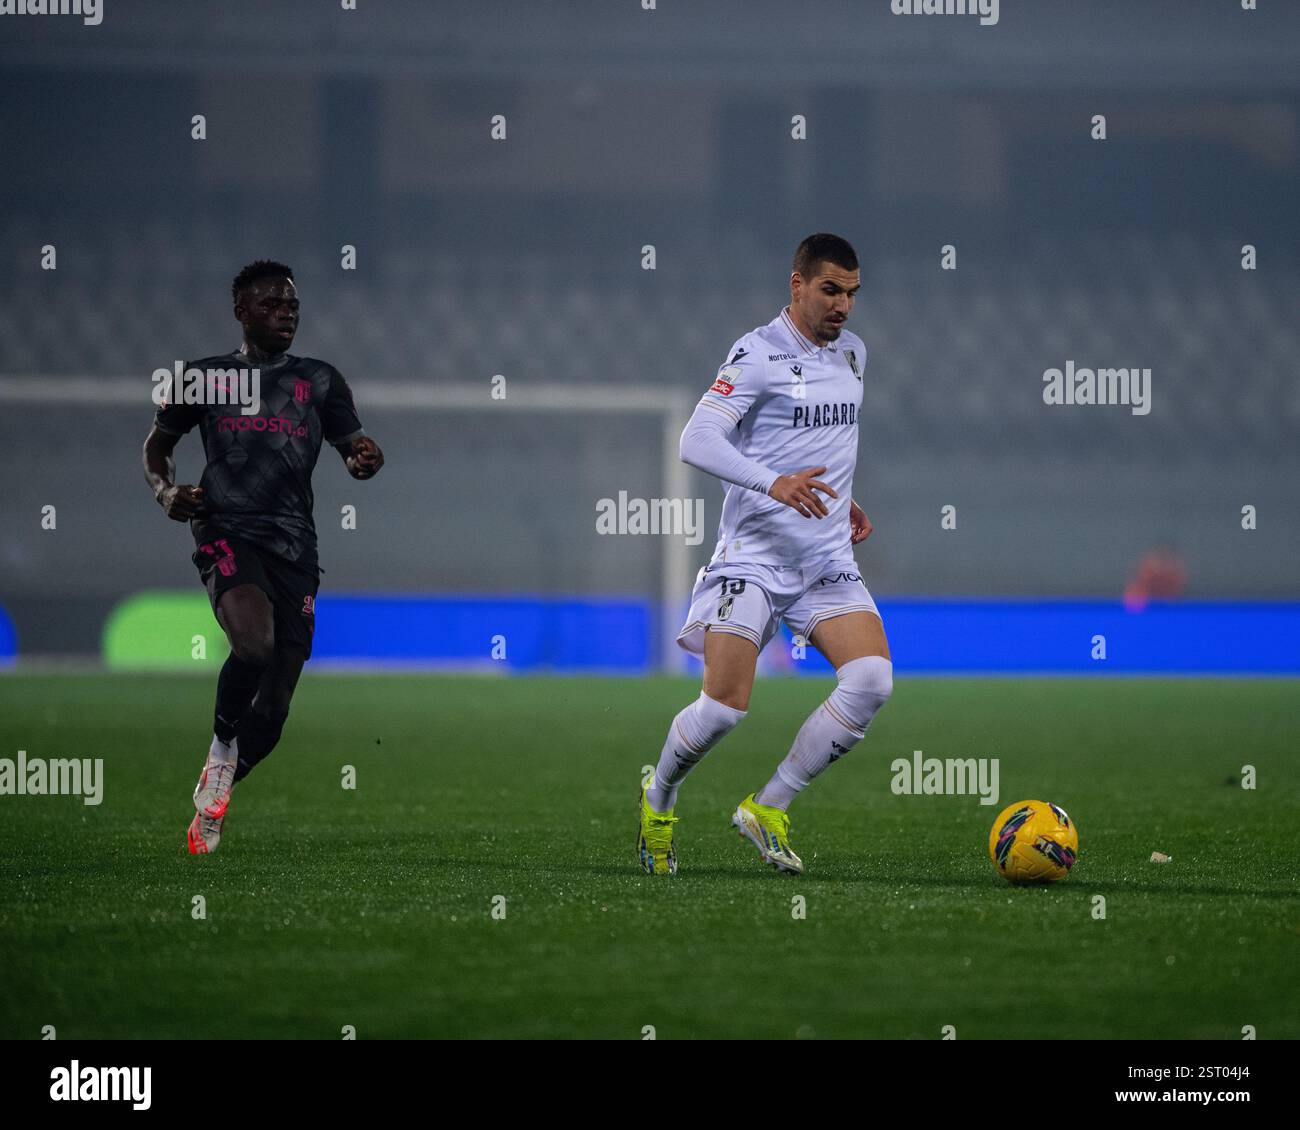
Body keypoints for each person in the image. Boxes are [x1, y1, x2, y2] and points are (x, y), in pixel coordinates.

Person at [639, 234, 892, 875]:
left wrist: (844, 502)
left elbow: (829, 443)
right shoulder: (757, 354)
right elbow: (697, 441)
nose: (843, 306)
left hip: (825, 559)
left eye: (852, 293)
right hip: (754, 558)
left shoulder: (856, 355)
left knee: (871, 680)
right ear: (797, 284)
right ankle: (659, 799)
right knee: (724, 709)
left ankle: (769, 806)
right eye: (831, 290)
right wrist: (773, 483)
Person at [142, 261, 384, 853]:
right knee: (254, 642)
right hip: (225, 529)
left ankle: (220, 784)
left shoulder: (320, 380)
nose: (287, 312)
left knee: (273, 710)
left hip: (295, 546)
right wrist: (167, 492)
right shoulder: (204, 378)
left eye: (293, 305)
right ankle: (221, 751)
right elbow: (158, 446)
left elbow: (353, 444)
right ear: (242, 311)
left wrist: (363, 457)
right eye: (274, 303)